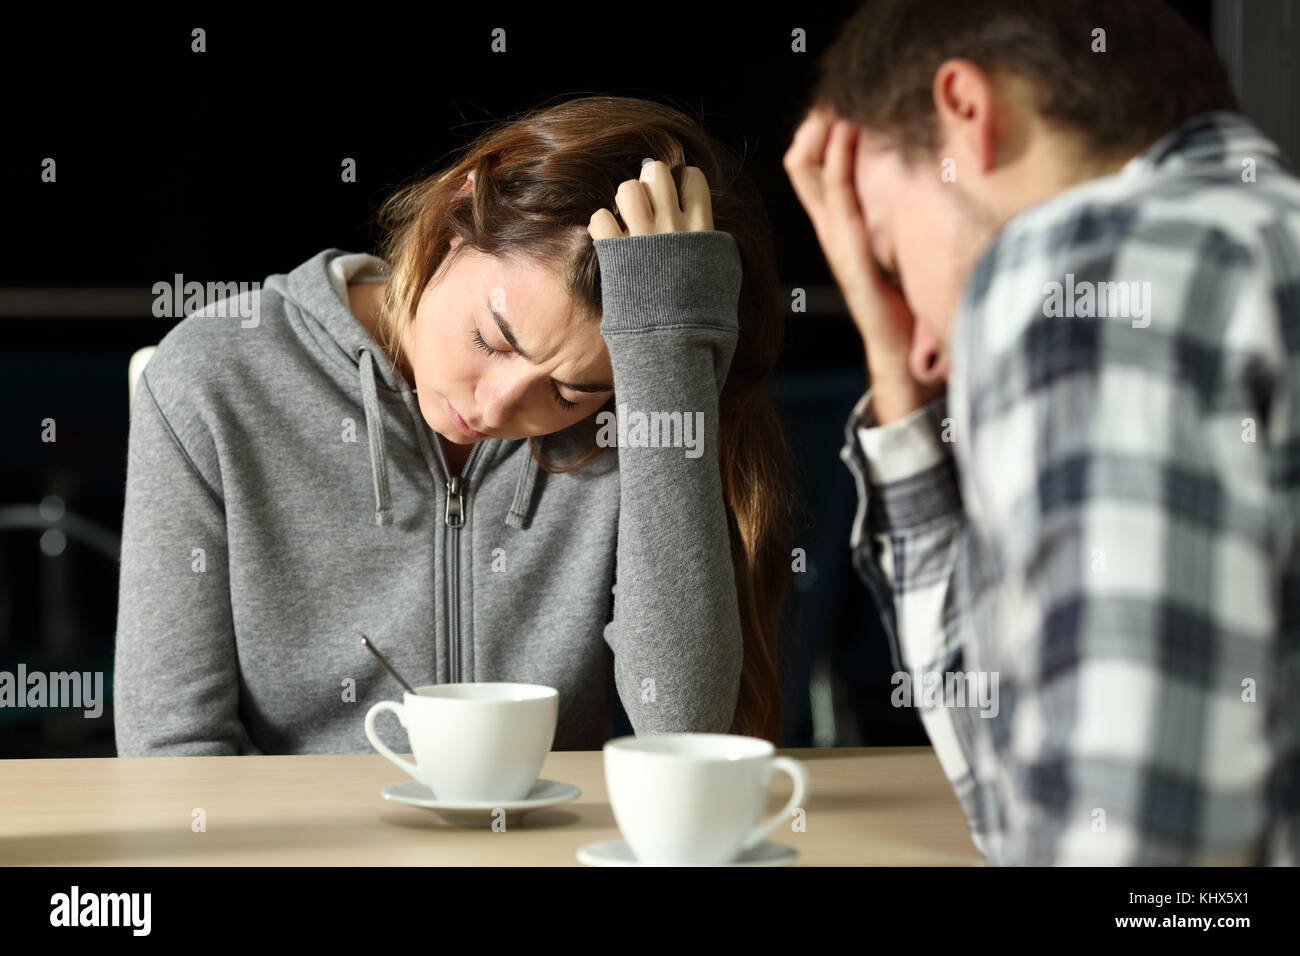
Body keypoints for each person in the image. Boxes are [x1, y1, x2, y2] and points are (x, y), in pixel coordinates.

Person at [114, 94, 794, 755]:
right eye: (492, 341)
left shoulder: (631, 414)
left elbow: (684, 733)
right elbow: (170, 749)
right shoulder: (215, 377)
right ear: (452, 220)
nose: (497, 410)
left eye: (566, 391)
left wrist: (665, 361)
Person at [785, 0, 1299, 864]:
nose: (923, 345)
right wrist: (895, 379)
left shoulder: (1102, 263)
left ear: (968, 115)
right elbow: (1008, 800)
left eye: (889, 256)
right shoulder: (1250, 238)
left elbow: (1142, 856)